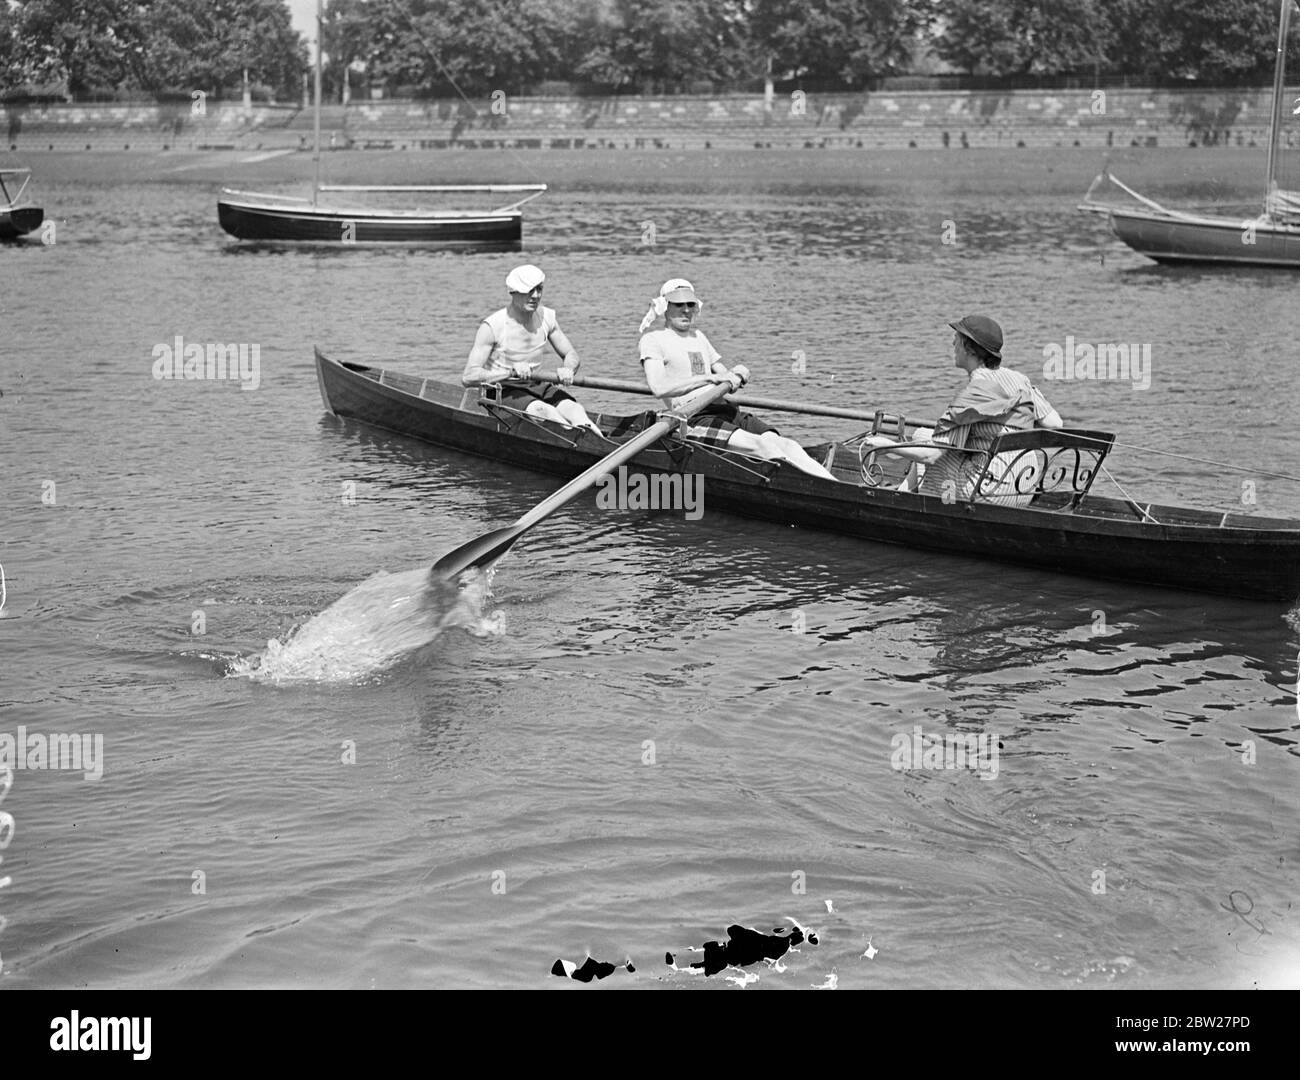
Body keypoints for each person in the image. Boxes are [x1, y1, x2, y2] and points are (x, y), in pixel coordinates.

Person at [637, 278, 836, 480]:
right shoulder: (653, 340)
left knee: (787, 444)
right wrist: (711, 378)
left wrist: (738, 373)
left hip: (725, 410)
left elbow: (725, 376)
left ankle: (835, 486)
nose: (686, 310)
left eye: (690, 304)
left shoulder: (699, 337)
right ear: (664, 307)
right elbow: (659, 388)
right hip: (692, 418)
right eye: (679, 304)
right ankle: (816, 492)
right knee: (763, 447)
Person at [863, 315, 1061, 504]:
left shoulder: (971, 396)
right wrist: (1006, 422)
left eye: (956, 339)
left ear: (969, 349)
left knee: (923, 439)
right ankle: (903, 493)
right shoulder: (1020, 381)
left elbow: (930, 455)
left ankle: (908, 503)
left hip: (989, 492)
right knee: (925, 434)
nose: (952, 344)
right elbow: (1054, 423)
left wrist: (885, 444)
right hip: (1024, 486)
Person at [462, 264, 602, 434]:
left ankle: (596, 440)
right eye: (529, 290)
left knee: (574, 409)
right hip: (502, 391)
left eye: (539, 289)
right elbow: (469, 377)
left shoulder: (547, 318)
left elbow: (571, 354)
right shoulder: (493, 326)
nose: (536, 296)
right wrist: (510, 372)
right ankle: (575, 439)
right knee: (544, 411)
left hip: (537, 386)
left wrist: (569, 369)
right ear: (513, 292)